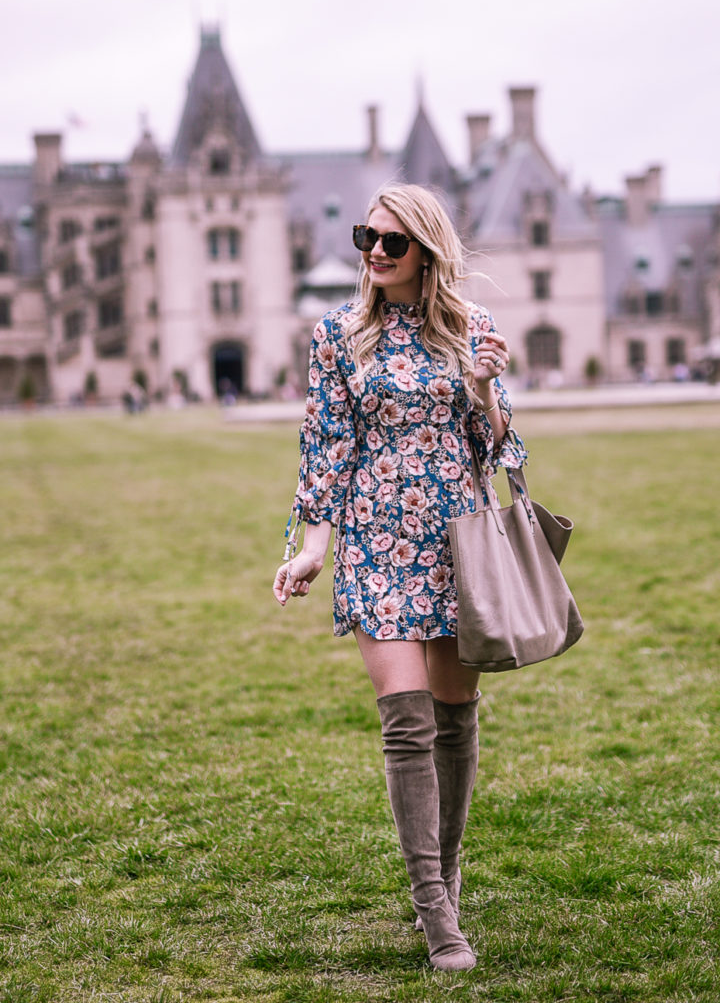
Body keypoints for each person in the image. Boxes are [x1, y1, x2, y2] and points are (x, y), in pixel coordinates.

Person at [273, 183, 526, 972]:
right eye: (366, 238)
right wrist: (313, 547)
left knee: (454, 719)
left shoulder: (470, 328)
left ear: (426, 250)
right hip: (376, 544)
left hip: (456, 542)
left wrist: (482, 387)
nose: (375, 253)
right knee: (406, 724)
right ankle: (437, 916)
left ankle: (444, 884)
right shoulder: (338, 336)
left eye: (392, 241)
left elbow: (500, 450)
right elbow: (326, 446)